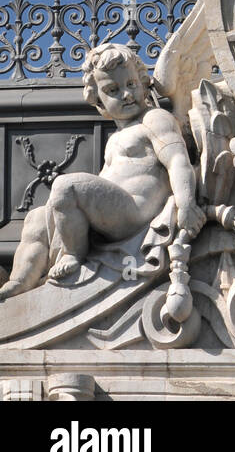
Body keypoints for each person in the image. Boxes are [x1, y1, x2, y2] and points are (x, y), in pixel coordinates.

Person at [0, 43, 205, 298]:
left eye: (131, 84)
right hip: (109, 216)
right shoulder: (117, 137)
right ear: (99, 100)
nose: (127, 94)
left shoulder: (155, 119)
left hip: (134, 212)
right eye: (113, 90)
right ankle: (20, 281)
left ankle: (74, 255)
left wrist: (186, 205)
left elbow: (177, 160)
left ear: (143, 82)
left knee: (65, 186)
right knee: (36, 218)